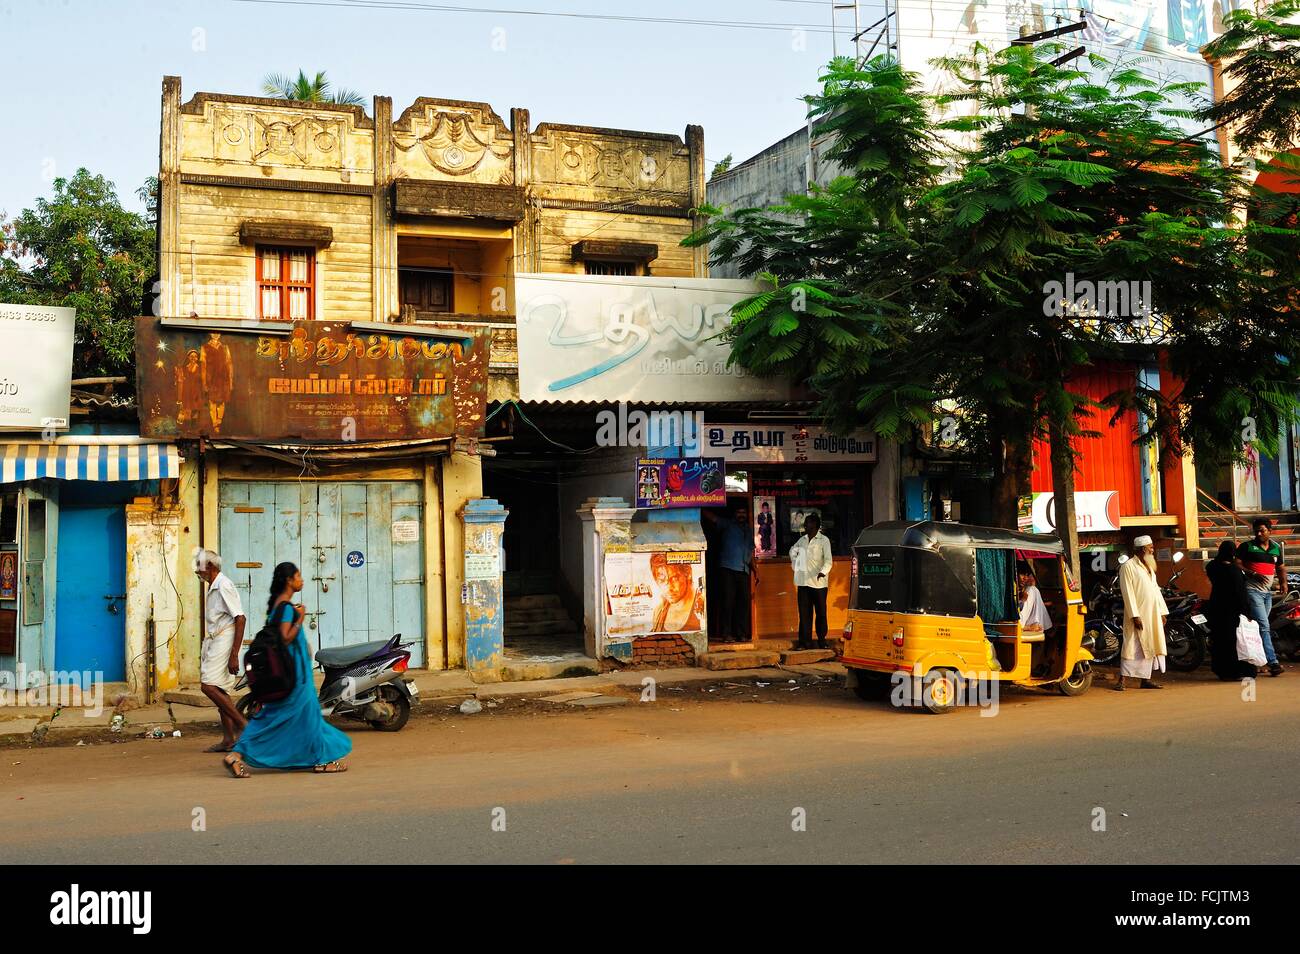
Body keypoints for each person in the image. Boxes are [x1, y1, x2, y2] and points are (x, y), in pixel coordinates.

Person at [223, 563, 352, 778]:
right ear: (289, 581)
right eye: (298, 576)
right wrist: (300, 619)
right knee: (308, 716)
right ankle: (322, 761)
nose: (302, 580)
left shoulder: (278, 606)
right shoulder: (285, 608)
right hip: (295, 678)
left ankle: (235, 755)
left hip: (289, 674)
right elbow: (285, 637)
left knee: (272, 718)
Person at [194, 549, 247, 752]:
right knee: (220, 689)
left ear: (210, 567)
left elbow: (240, 618)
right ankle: (228, 739)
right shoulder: (213, 586)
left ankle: (243, 724)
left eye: (199, 566)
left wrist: (234, 655)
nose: (197, 570)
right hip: (216, 638)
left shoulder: (224, 585)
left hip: (225, 639)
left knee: (207, 685)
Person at [1115, 535, 1168, 690]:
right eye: (1150, 547)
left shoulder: (1149, 567)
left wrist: (1162, 612)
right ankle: (1122, 680)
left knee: (1150, 645)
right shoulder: (1128, 567)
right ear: (1143, 549)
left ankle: (1145, 680)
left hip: (1152, 614)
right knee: (1131, 646)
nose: (1153, 550)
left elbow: (1156, 591)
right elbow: (1127, 592)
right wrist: (1134, 615)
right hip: (1138, 614)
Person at [1235, 518, 1286, 677]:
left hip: (1267, 594)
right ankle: (1273, 662)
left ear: (1269, 531)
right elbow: (1237, 564)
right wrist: (1253, 573)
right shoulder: (1247, 547)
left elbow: (1281, 567)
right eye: (1256, 531)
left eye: (1262, 530)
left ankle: (1257, 660)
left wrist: (1283, 582)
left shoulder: (1276, 548)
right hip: (1252, 591)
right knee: (1264, 626)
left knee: (1260, 627)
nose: (1258, 533)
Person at [1205, 540, 1256, 681]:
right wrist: (1247, 612)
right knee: (1234, 642)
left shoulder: (1212, 567)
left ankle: (1222, 670)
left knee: (1220, 641)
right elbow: (1240, 594)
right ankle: (1235, 671)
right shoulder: (1234, 571)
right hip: (1232, 611)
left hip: (1217, 608)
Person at [706, 505, 757, 643]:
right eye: (739, 511)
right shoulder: (727, 524)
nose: (741, 514)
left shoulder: (748, 529)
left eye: (743, 512)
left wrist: (756, 572)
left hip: (744, 570)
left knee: (743, 603)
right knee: (728, 603)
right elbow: (713, 518)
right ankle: (726, 634)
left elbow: (750, 552)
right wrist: (698, 504)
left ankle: (741, 634)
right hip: (728, 569)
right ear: (734, 514)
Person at [789, 513, 833, 649]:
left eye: (808, 523)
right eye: (805, 523)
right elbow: (792, 551)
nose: (805, 525)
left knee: (821, 613)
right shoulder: (801, 540)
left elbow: (828, 561)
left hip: (819, 583)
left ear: (815, 526)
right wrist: (796, 563)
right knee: (804, 614)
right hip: (803, 583)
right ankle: (804, 642)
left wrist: (823, 572)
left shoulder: (824, 540)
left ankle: (822, 640)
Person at [650, 556, 703, 633]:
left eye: (674, 579)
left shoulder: (702, 604)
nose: (668, 588)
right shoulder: (658, 612)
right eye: (662, 580)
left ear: (688, 574)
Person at [1017, 564, 1052, 633]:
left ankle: (1044, 628)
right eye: (1022, 574)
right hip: (1017, 623)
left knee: (1033, 590)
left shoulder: (1020, 589)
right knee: (1033, 589)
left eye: (1027, 575)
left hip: (1021, 619)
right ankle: (1047, 629)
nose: (1025, 578)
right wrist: (1022, 600)